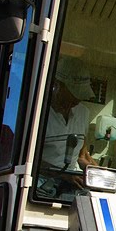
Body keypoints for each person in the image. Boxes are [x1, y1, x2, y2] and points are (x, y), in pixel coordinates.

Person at [37, 60, 99, 197]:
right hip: (40, 180)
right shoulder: (37, 113)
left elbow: (82, 156)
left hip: (72, 180)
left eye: (77, 100)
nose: (73, 103)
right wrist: (63, 175)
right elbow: (30, 159)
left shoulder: (83, 113)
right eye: (70, 98)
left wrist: (100, 174)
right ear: (56, 86)